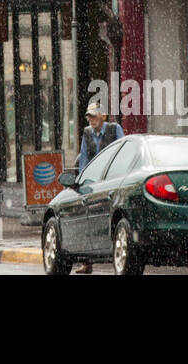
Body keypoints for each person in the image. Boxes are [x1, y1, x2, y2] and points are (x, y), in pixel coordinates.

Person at [74, 98, 123, 273]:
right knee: (87, 221)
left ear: (103, 116)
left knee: (110, 219)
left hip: (112, 181)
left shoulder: (114, 129)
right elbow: (84, 159)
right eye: (89, 117)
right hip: (94, 182)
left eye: (94, 116)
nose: (91, 120)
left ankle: (115, 257)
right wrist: (81, 181)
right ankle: (87, 262)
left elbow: (122, 153)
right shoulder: (87, 133)